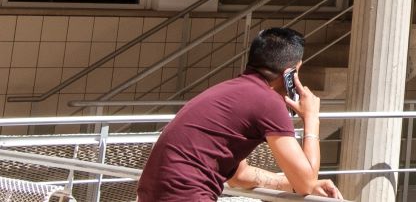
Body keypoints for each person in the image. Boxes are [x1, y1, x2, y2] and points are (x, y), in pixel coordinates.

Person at [137, 27, 338, 202]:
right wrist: (311, 118)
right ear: (289, 74)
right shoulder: (268, 101)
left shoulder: (229, 91)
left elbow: (239, 176)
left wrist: (290, 183)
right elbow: (306, 184)